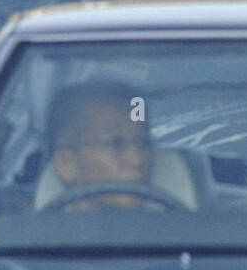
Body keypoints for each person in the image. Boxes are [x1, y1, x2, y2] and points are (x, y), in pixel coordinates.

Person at [35, 81, 156, 211]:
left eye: (143, 143)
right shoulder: (34, 231)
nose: (137, 160)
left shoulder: (176, 229)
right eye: (115, 143)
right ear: (66, 163)